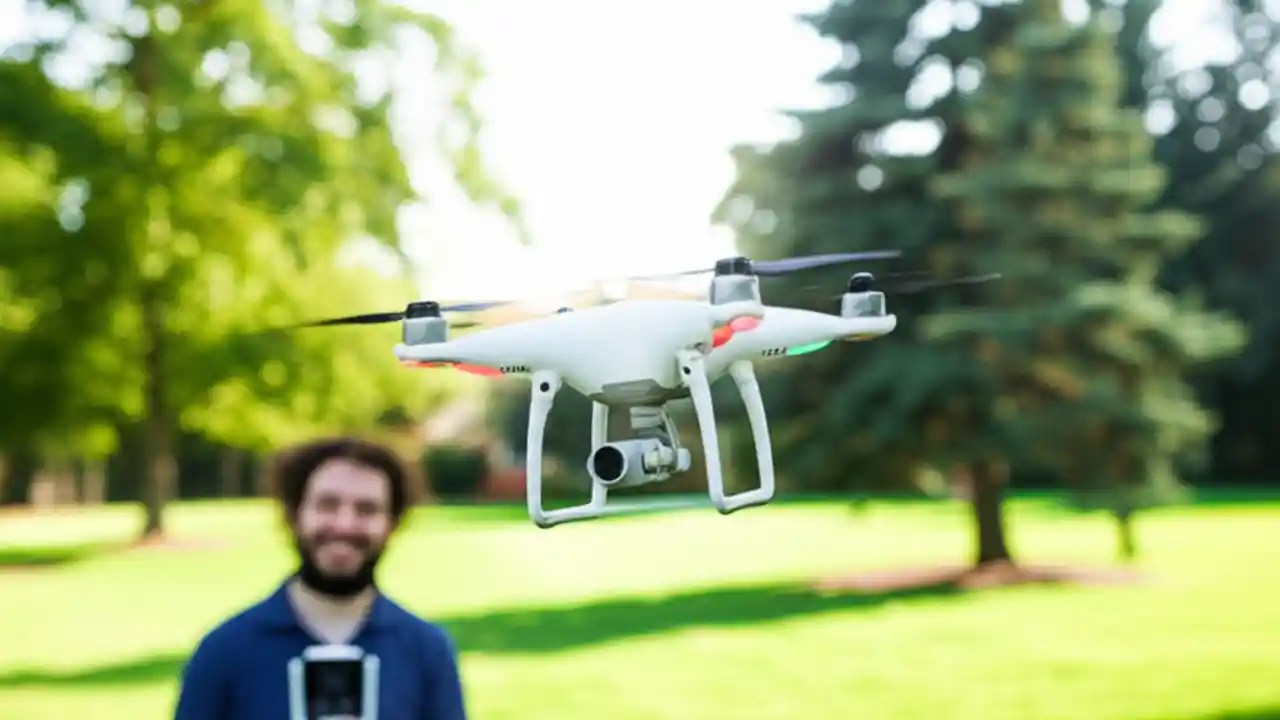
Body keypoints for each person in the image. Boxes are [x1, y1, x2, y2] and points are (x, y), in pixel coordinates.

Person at [173, 437, 467, 720]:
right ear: (294, 514)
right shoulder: (225, 651)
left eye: (366, 509)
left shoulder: (427, 650)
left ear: (391, 524)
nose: (344, 525)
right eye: (327, 505)